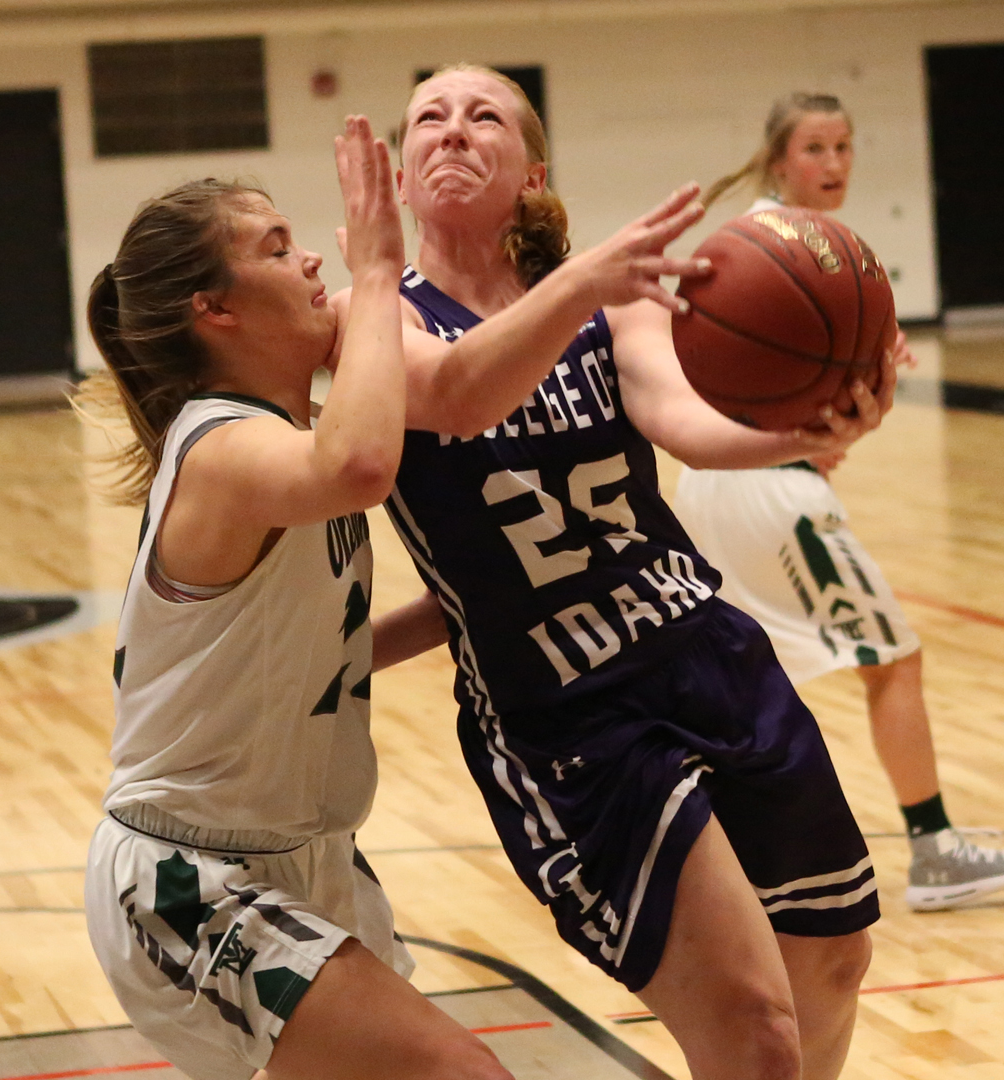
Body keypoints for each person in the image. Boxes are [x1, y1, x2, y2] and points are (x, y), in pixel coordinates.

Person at [363, 65, 891, 1080]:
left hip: (704, 649)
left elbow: (685, 423)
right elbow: (452, 395)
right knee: (751, 1027)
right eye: (430, 118)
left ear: (532, 173)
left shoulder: (617, 309)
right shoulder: (381, 318)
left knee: (832, 961)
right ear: (399, 174)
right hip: (567, 712)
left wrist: (800, 430)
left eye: (485, 118)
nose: (454, 132)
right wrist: (580, 283)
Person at [79, 119, 512, 1080]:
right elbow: (360, 463)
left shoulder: (280, 440)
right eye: (277, 249)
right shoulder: (222, 447)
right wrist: (381, 262)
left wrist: (465, 604)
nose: (314, 257)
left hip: (309, 856)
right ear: (215, 311)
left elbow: (315, 656)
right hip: (190, 877)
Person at [677, 92, 1004, 911]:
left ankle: (714, 859)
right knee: (893, 658)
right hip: (767, 491)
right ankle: (937, 848)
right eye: (815, 148)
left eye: (843, 146)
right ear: (780, 162)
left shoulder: (810, 249)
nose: (834, 164)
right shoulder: (783, 251)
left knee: (745, 674)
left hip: (717, 488)